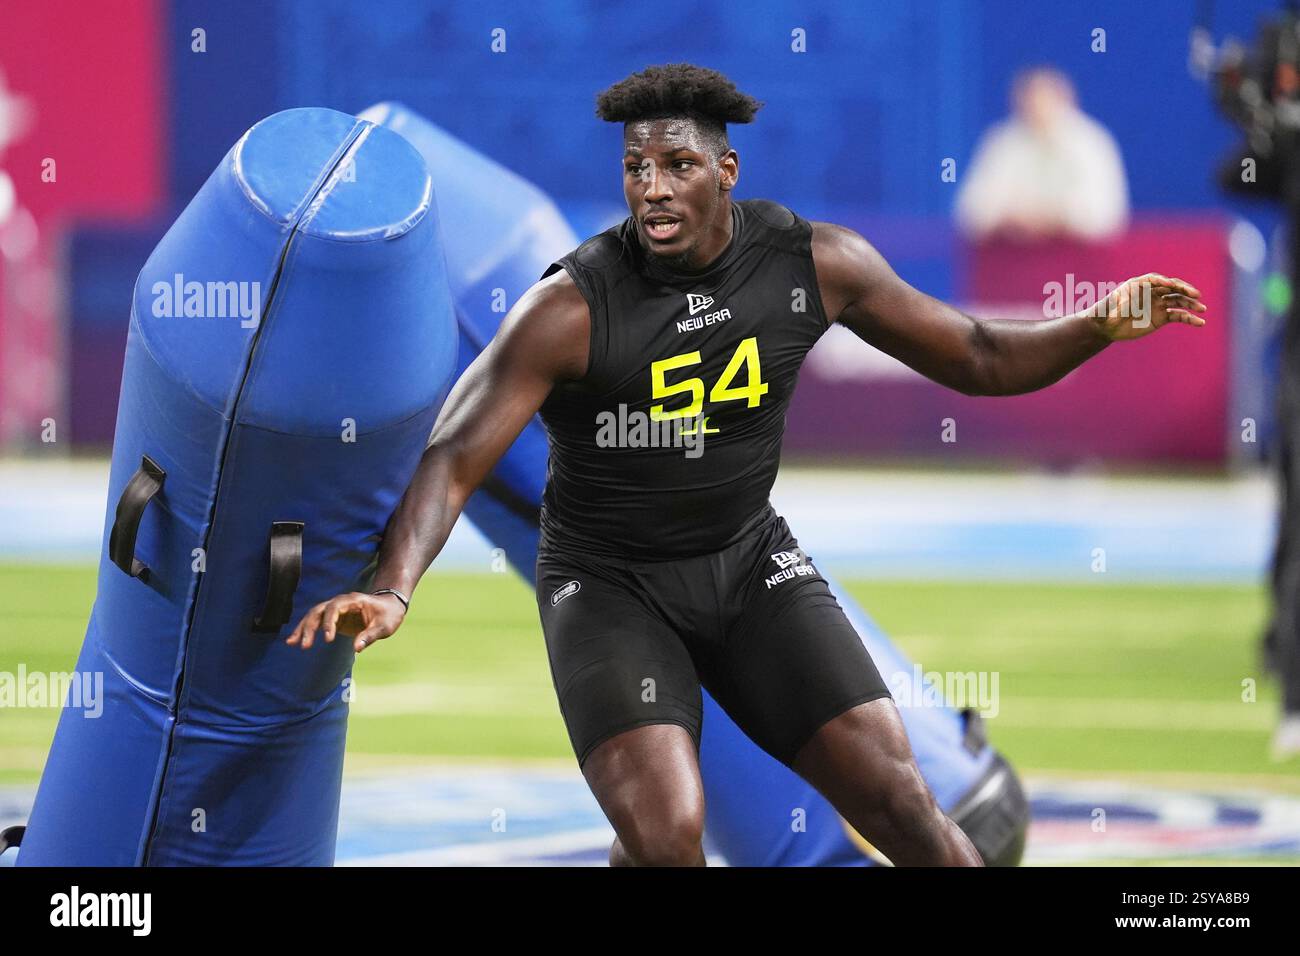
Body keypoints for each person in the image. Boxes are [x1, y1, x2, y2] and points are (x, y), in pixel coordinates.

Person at [286, 63, 1206, 866]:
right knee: (668, 831)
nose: (653, 189)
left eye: (678, 165)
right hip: (610, 587)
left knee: (902, 803)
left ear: (727, 170)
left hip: (747, 563)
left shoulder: (813, 263)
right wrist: (397, 587)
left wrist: (1097, 324)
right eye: (636, 168)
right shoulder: (569, 306)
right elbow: (453, 454)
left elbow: (978, 354)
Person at [956, 66, 1129, 242]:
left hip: (1078, 260)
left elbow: (1105, 215)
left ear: (1065, 99)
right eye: (1030, 99)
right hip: (1013, 260)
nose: (1037, 107)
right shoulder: (1002, 141)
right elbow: (971, 212)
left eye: (1045, 99)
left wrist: (1054, 218)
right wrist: (1012, 218)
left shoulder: (1091, 143)